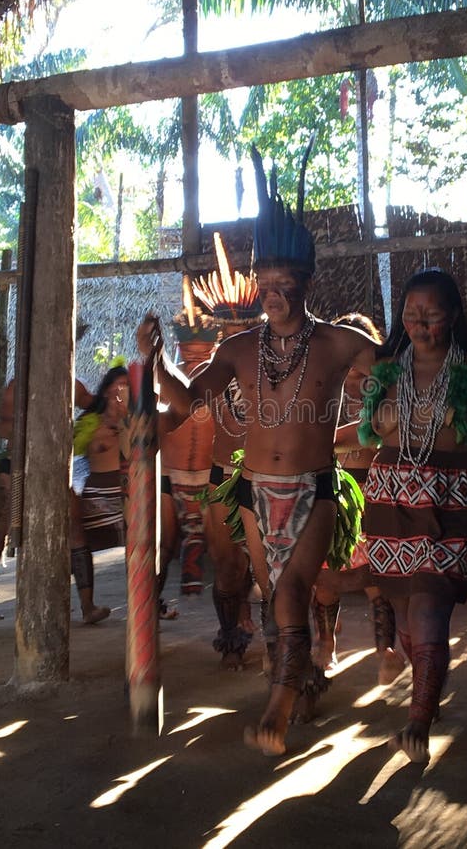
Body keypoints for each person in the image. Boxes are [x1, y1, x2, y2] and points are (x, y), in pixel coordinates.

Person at [137, 141, 379, 755]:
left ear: (306, 281)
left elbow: (392, 370)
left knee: (294, 594)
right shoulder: (239, 349)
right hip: (251, 492)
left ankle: (279, 702)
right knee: (273, 601)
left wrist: (384, 381)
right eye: (265, 280)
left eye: (284, 280)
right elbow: (191, 398)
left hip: (315, 489)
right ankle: (297, 678)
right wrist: (154, 364)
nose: (272, 290)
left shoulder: (339, 342)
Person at [359, 268, 467, 764]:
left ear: (451, 315)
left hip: (456, 503)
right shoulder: (385, 366)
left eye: (430, 313)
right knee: (409, 618)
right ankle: (429, 685)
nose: (419, 322)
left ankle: (417, 721)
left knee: (430, 607)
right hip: (390, 503)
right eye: (411, 312)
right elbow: (368, 434)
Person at [315, 312, 406, 686]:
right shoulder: (323, 387)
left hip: (374, 488)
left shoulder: (387, 389)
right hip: (332, 488)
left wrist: (338, 437)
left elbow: (380, 431)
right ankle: (327, 643)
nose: (355, 375)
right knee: (325, 574)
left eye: (360, 366)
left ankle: (385, 650)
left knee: (376, 577)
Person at [0, 322, 94, 621]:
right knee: (0, 531)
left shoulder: (72, 384)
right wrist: (27, 428)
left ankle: (87, 606)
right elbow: (3, 427)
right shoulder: (17, 386)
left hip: (55, 466)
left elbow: (97, 406)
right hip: (17, 465)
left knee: (74, 528)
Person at [191, 234, 265, 669]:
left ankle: (281, 644)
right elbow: (181, 407)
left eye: (244, 327)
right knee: (227, 564)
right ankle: (231, 639)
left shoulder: (276, 365)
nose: (236, 334)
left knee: (269, 567)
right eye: (228, 329)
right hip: (222, 478)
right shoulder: (208, 371)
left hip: (268, 475)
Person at [157, 283, 218, 607]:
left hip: (210, 478)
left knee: (223, 551)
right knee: (163, 545)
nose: (195, 362)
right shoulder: (168, 381)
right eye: (189, 354)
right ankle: (147, 611)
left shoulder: (223, 381)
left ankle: (237, 625)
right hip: (171, 476)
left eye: (202, 355)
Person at [71, 358, 129, 623]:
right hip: (95, 495)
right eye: (119, 386)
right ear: (106, 390)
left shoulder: (137, 420)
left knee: (147, 539)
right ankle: (87, 607)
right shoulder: (89, 423)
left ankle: (153, 603)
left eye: (128, 387)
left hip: (126, 494)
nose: (122, 391)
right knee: (73, 536)